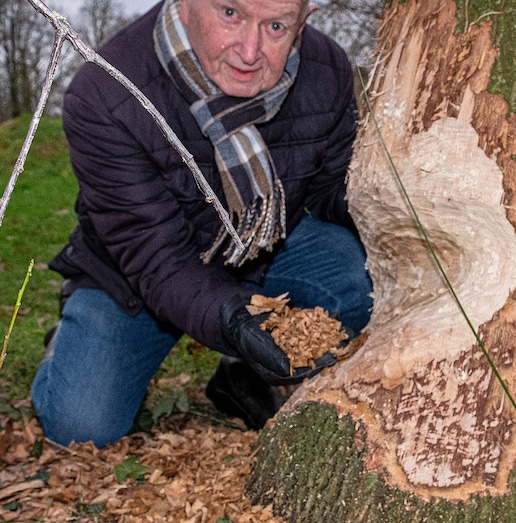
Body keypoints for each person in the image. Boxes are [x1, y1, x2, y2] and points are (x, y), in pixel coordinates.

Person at [32, 0, 372, 448]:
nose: (250, 51)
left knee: (357, 283)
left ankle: (242, 374)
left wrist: (393, 207)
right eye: (230, 14)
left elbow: (332, 187)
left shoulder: (326, 69)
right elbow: (156, 257)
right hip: (135, 277)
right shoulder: (106, 92)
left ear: (303, 21)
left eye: (275, 26)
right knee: (83, 425)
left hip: (265, 242)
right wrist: (234, 321)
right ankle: (69, 343)